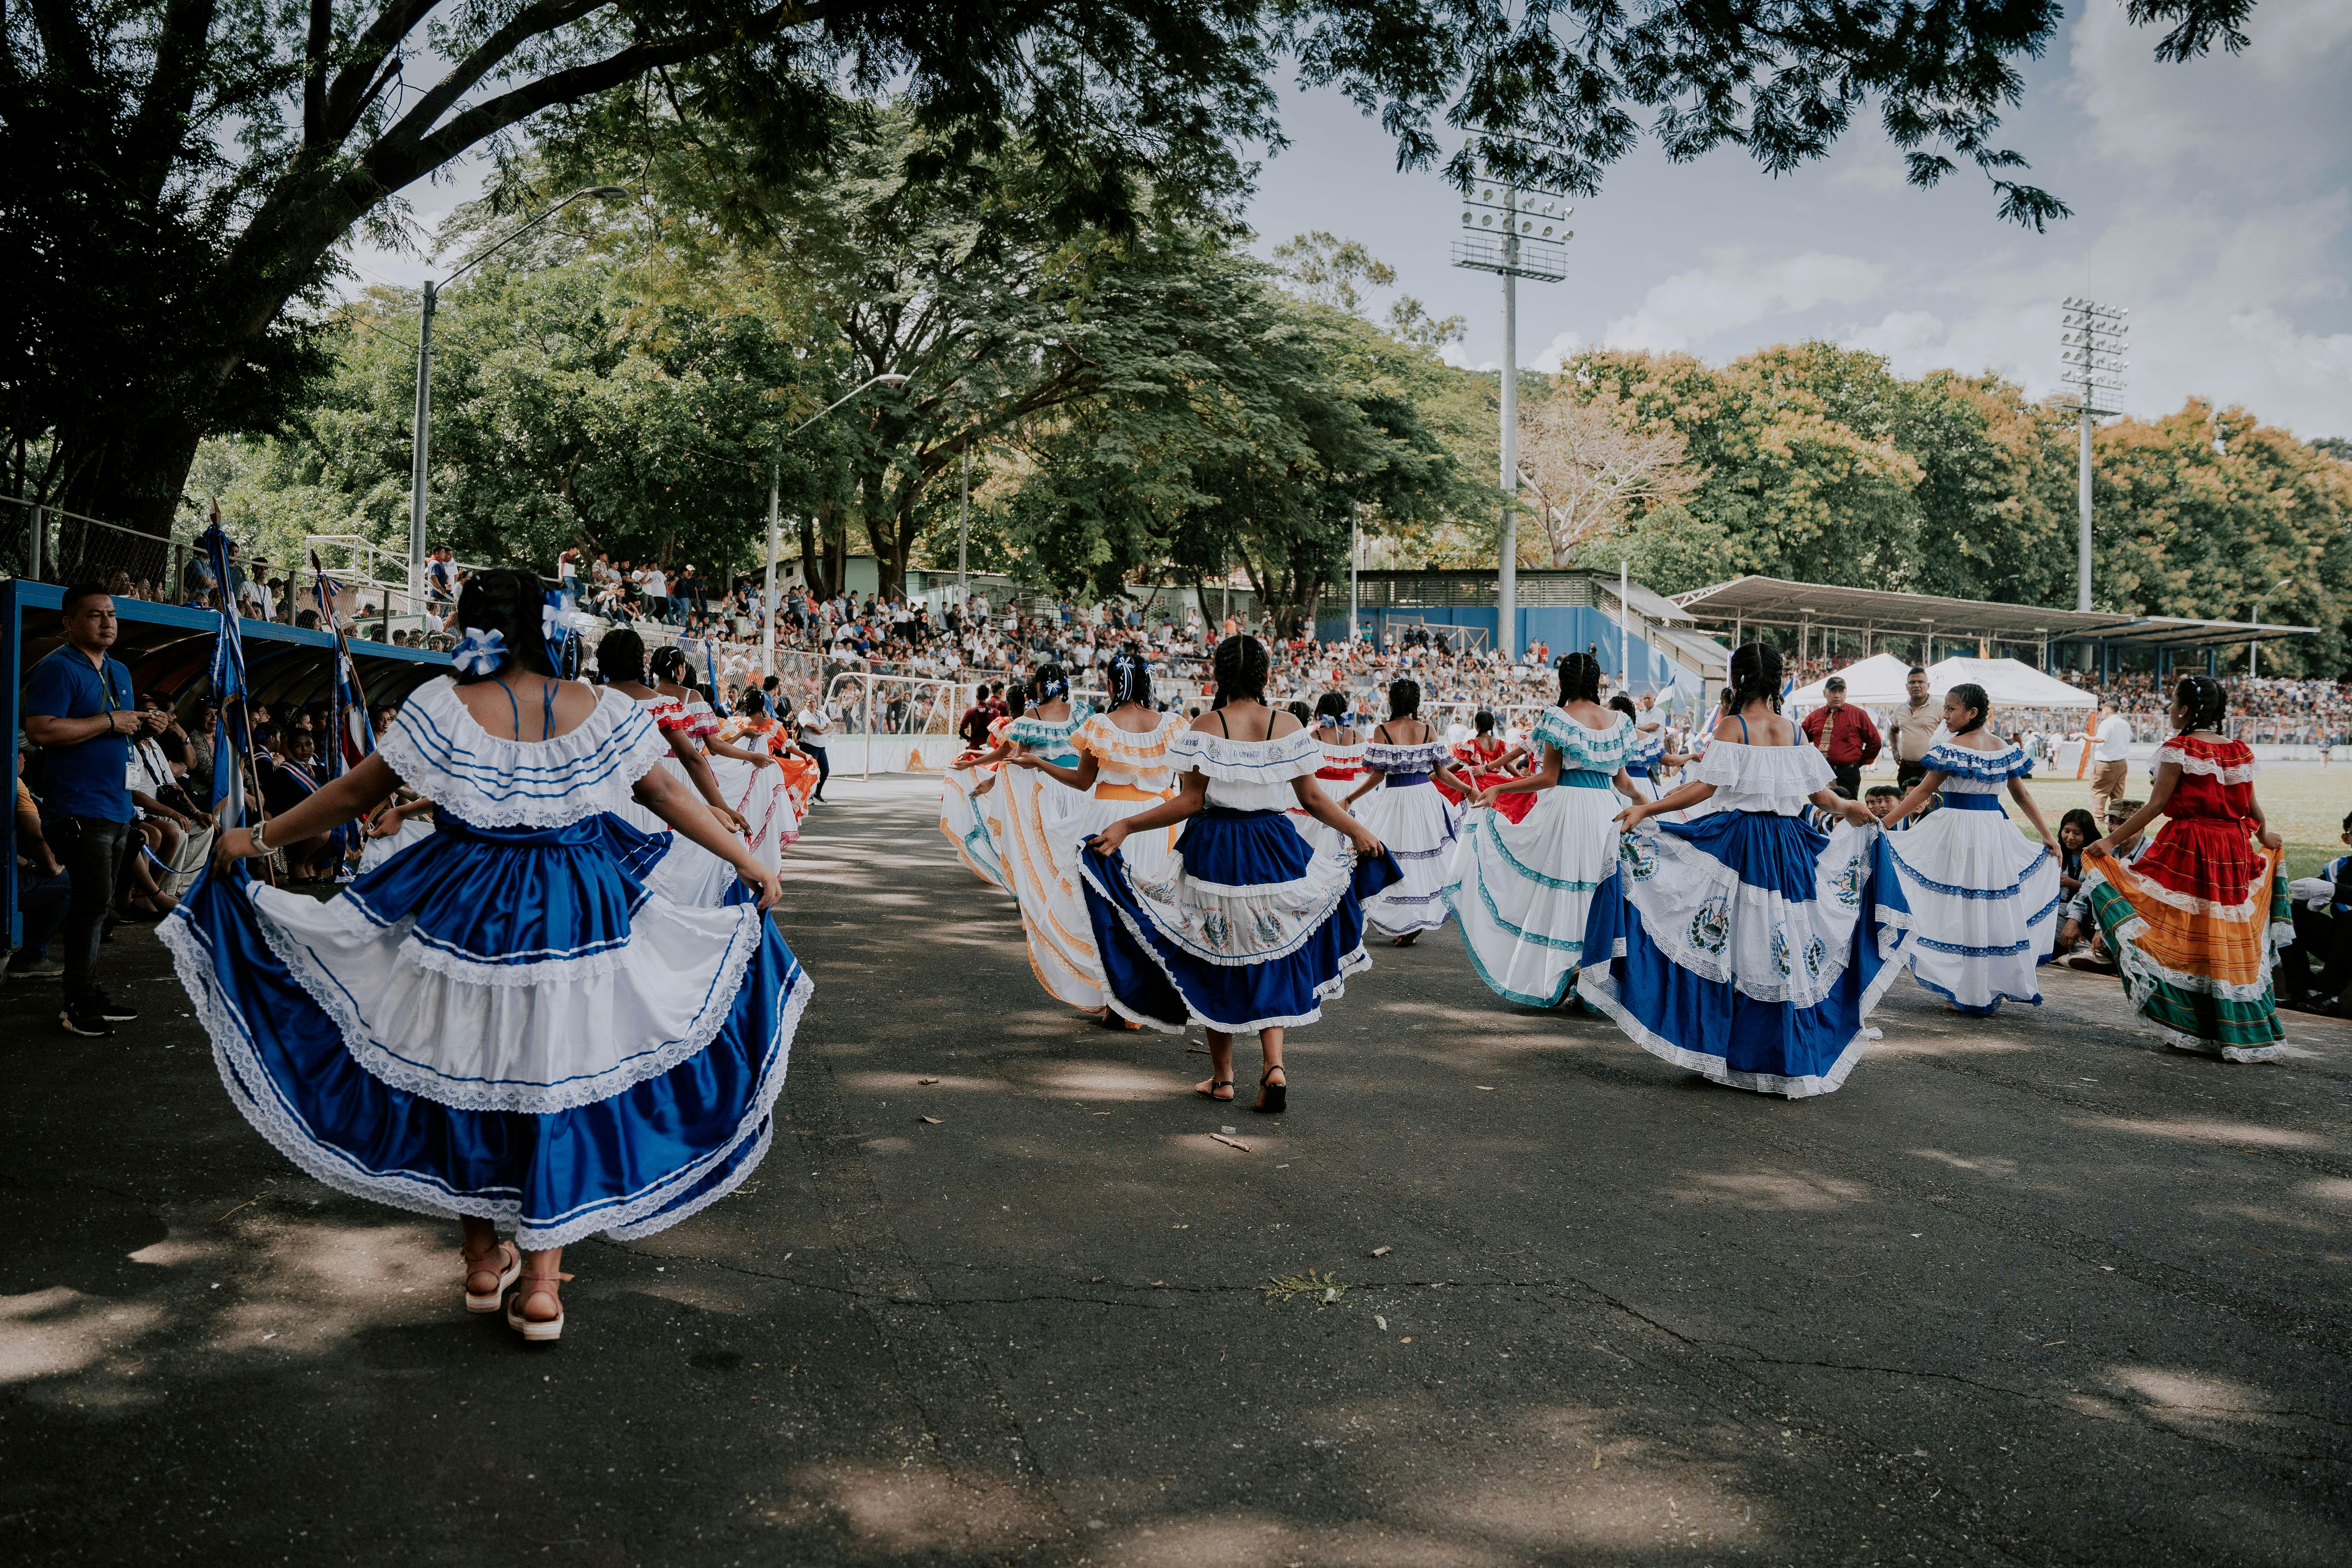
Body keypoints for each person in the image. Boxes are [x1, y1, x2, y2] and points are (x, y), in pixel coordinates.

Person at [161, 569, 802, 1343]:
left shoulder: (442, 704)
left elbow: (354, 795)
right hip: (576, 909)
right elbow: (664, 796)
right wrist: (748, 861)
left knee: (465, 1068)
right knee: (559, 1073)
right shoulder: (597, 709)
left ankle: (478, 1260)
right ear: (548, 626)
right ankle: (541, 1288)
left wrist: (255, 837)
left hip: (466, 905)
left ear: (469, 626)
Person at [1582, 643, 1914, 1099]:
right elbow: (1823, 797)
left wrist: (1647, 809)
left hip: (1739, 844)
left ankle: (1735, 1049)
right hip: (1788, 846)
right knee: (1782, 946)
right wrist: (1851, 809)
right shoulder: (1793, 730)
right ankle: (1780, 1052)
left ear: (1737, 680)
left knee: (1737, 946)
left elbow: (1703, 788)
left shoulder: (1733, 726)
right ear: (1777, 680)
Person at [1078, 636, 1397, 1110]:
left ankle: (1223, 1078)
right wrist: (1357, 831)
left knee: (1215, 952)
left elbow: (1189, 802)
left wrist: (1126, 825)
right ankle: (1274, 1067)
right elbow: (1312, 799)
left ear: (1218, 675)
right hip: (1274, 845)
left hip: (1216, 847)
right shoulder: (1287, 724)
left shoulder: (1206, 725)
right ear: (1265, 676)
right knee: (1276, 947)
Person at [2078, 677, 2289, 1061]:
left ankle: (2190, 1023)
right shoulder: (2238, 751)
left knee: (2186, 932)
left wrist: (2110, 842)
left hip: (2191, 847)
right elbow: (2251, 807)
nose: (2170, 710)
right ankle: (2230, 1026)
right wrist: (2263, 834)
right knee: (2221, 931)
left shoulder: (2179, 749)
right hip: (2231, 849)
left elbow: (2156, 804)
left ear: (2186, 710)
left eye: (2173, 703)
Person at [1443, 652, 1644, 1006]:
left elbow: (1549, 778)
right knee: (1597, 891)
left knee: (1560, 891)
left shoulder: (1558, 717)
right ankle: (1591, 972)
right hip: (1606, 813)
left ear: (1563, 682)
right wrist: (1645, 805)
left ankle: (1563, 970)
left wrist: (1500, 789)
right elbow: (1622, 781)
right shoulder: (1619, 722)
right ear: (1596, 682)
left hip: (1566, 811)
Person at [1008, 648, 1180, 1027]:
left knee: (1109, 910)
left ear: (1112, 684)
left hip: (1107, 819)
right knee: (1150, 909)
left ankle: (1117, 1003)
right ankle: (1145, 1001)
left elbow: (1083, 781)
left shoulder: (1101, 724)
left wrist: (1037, 762)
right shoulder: (1172, 724)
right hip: (1156, 820)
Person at [23, 584, 162, 1037]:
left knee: (98, 907)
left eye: (112, 615)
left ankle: (88, 989)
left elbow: (117, 730)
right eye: (95, 615)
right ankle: (76, 1002)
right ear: (69, 623)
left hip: (117, 806)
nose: (107, 623)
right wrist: (110, 721)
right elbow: (41, 731)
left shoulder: (118, 669)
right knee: (89, 907)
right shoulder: (58, 668)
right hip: (79, 808)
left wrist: (144, 726)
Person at [1876, 682, 2064, 1015]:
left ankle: (1969, 988)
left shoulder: (1952, 748)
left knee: (1959, 907)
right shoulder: (2001, 748)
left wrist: (1885, 824)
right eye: (1945, 708)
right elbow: (2021, 795)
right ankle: (1978, 988)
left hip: (1958, 830)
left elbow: (1921, 792)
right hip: (1991, 831)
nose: (1945, 715)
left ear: (1971, 712)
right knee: (1985, 906)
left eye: (1951, 709)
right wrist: (2046, 834)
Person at [1341, 679, 1477, 947]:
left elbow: (1378, 776)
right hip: (1425, 798)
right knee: (1423, 860)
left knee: (1390, 856)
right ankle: (1415, 920)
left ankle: (1404, 920)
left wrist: (1349, 798)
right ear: (1416, 702)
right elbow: (1442, 773)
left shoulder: (1382, 730)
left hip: (1394, 799)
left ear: (1391, 701)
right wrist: (1468, 790)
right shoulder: (1428, 730)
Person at [2279, 812, 2352, 1014]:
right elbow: (2314, 892)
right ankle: (2303, 991)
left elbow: (2334, 891)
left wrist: (2334, 891)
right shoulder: (2338, 868)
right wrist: (2305, 903)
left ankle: (2329, 995)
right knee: (2290, 915)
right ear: (2346, 838)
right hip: (2343, 948)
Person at [1802, 676, 1883, 797]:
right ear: (1824, 693)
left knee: (1849, 805)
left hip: (1848, 772)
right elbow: (1802, 742)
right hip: (1822, 772)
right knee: (1822, 805)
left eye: (1841, 691)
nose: (1837, 696)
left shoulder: (1858, 715)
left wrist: (1859, 762)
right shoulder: (1814, 717)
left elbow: (1875, 742)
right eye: (1833, 691)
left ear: (1846, 693)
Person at [1888, 666, 1941, 790]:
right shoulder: (1900, 709)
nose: (1916, 686)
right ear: (1907, 687)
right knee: (1905, 800)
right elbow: (1893, 731)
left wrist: (1935, 764)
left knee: (1930, 802)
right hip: (1906, 768)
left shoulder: (1940, 707)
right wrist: (1895, 751)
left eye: (1921, 682)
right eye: (1912, 682)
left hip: (1930, 769)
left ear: (1928, 686)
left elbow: (1949, 737)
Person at [2089, 699, 2134, 824]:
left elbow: (2101, 739)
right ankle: (2116, 818)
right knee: (2117, 793)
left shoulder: (2107, 723)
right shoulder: (2125, 723)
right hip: (2122, 762)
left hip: (2106, 762)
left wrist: (2086, 737)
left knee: (2099, 791)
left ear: (2106, 711)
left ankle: (2099, 817)